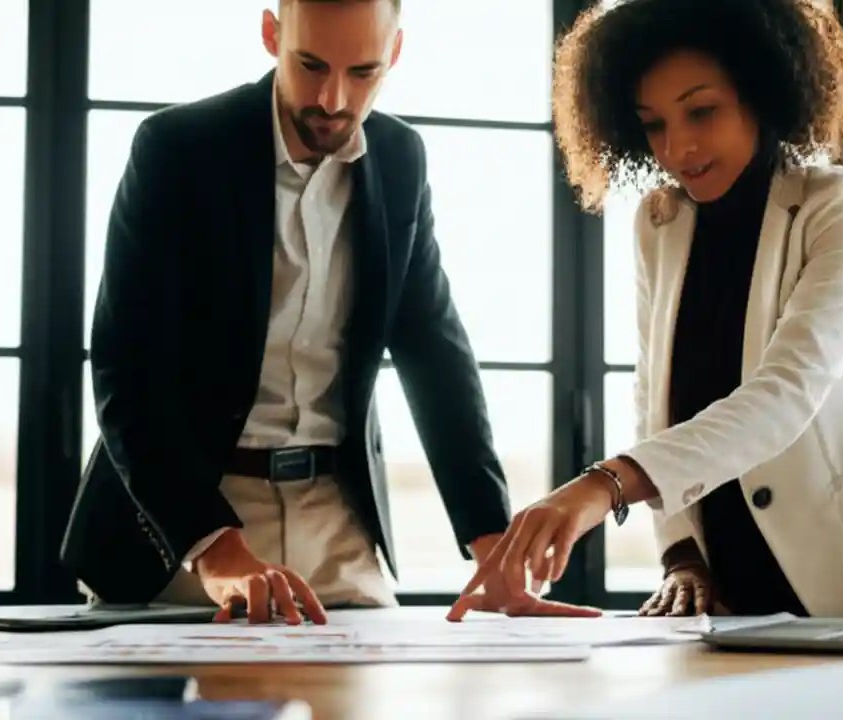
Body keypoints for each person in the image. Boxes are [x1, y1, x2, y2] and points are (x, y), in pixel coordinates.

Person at [61, 0, 598, 624]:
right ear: (272, 35)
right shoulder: (178, 149)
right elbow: (128, 371)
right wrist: (215, 552)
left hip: (337, 526)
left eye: (363, 72)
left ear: (395, 53)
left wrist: (491, 545)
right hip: (185, 533)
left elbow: (434, 351)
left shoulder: (400, 158)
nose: (333, 99)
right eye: (311, 65)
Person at [449, 0, 843, 621]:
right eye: (653, 124)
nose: (678, 147)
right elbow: (654, 397)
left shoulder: (840, 204)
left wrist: (605, 484)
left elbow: (786, 394)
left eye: (702, 111)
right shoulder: (659, 224)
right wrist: (682, 554)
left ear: (760, 92)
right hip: (736, 594)